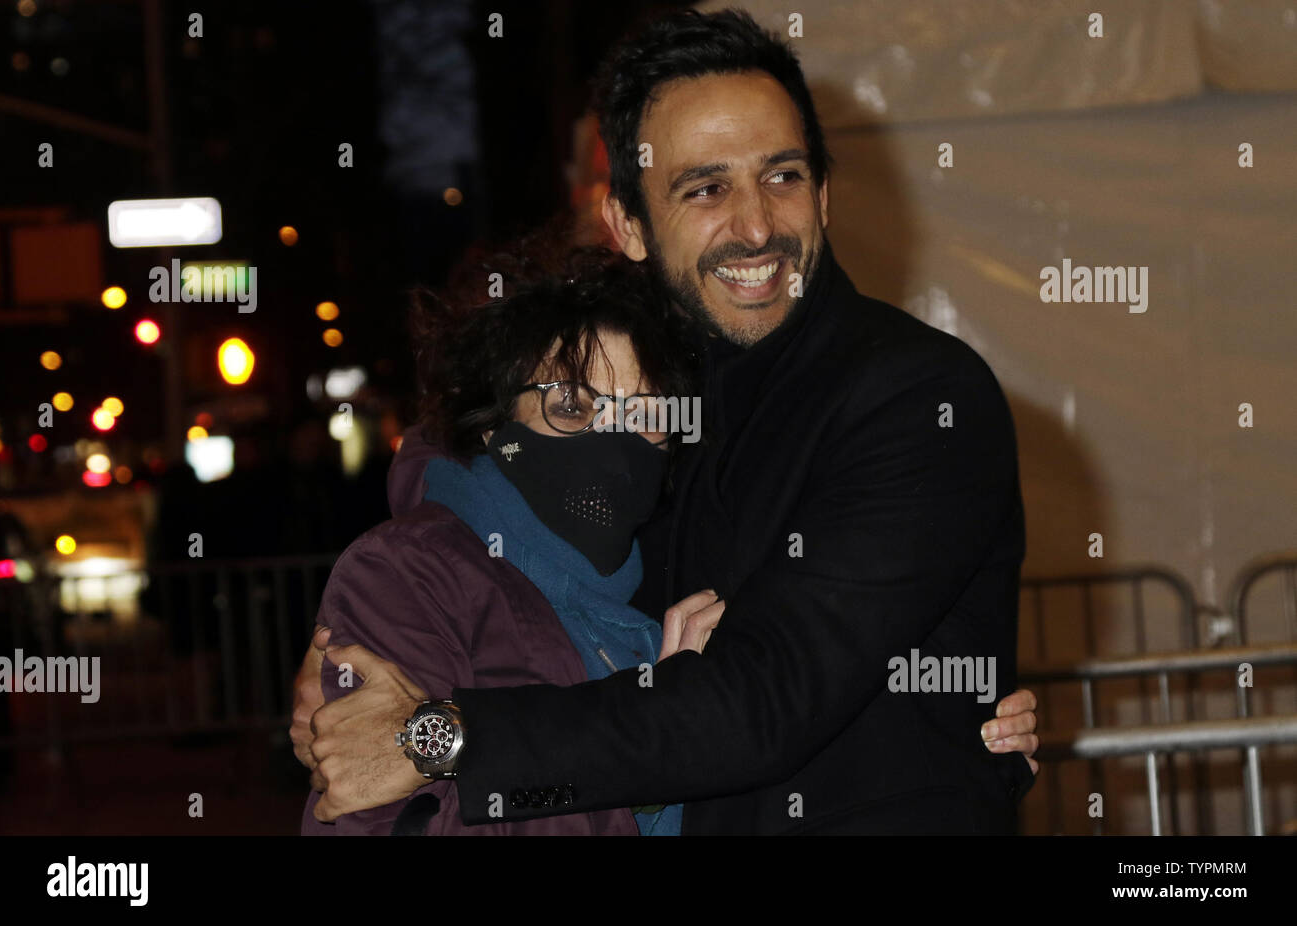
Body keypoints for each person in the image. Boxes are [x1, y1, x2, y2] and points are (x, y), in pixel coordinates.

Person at [296, 8, 1040, 835]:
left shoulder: (917, 399)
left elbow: (762, 702)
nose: (756, 226)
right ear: (627, 225)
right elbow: (482, 485)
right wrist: (358, 682)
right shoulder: (637, 416)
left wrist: (437, 737)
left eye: (783, 177)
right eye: (706, 188)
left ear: (824, 195)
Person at [300, 250, 710, 834]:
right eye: (571, 404)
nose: (614, 438)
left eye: (643, 410)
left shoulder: (659, 590)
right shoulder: (407, 575)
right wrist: (649, 752)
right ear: (494, 426)